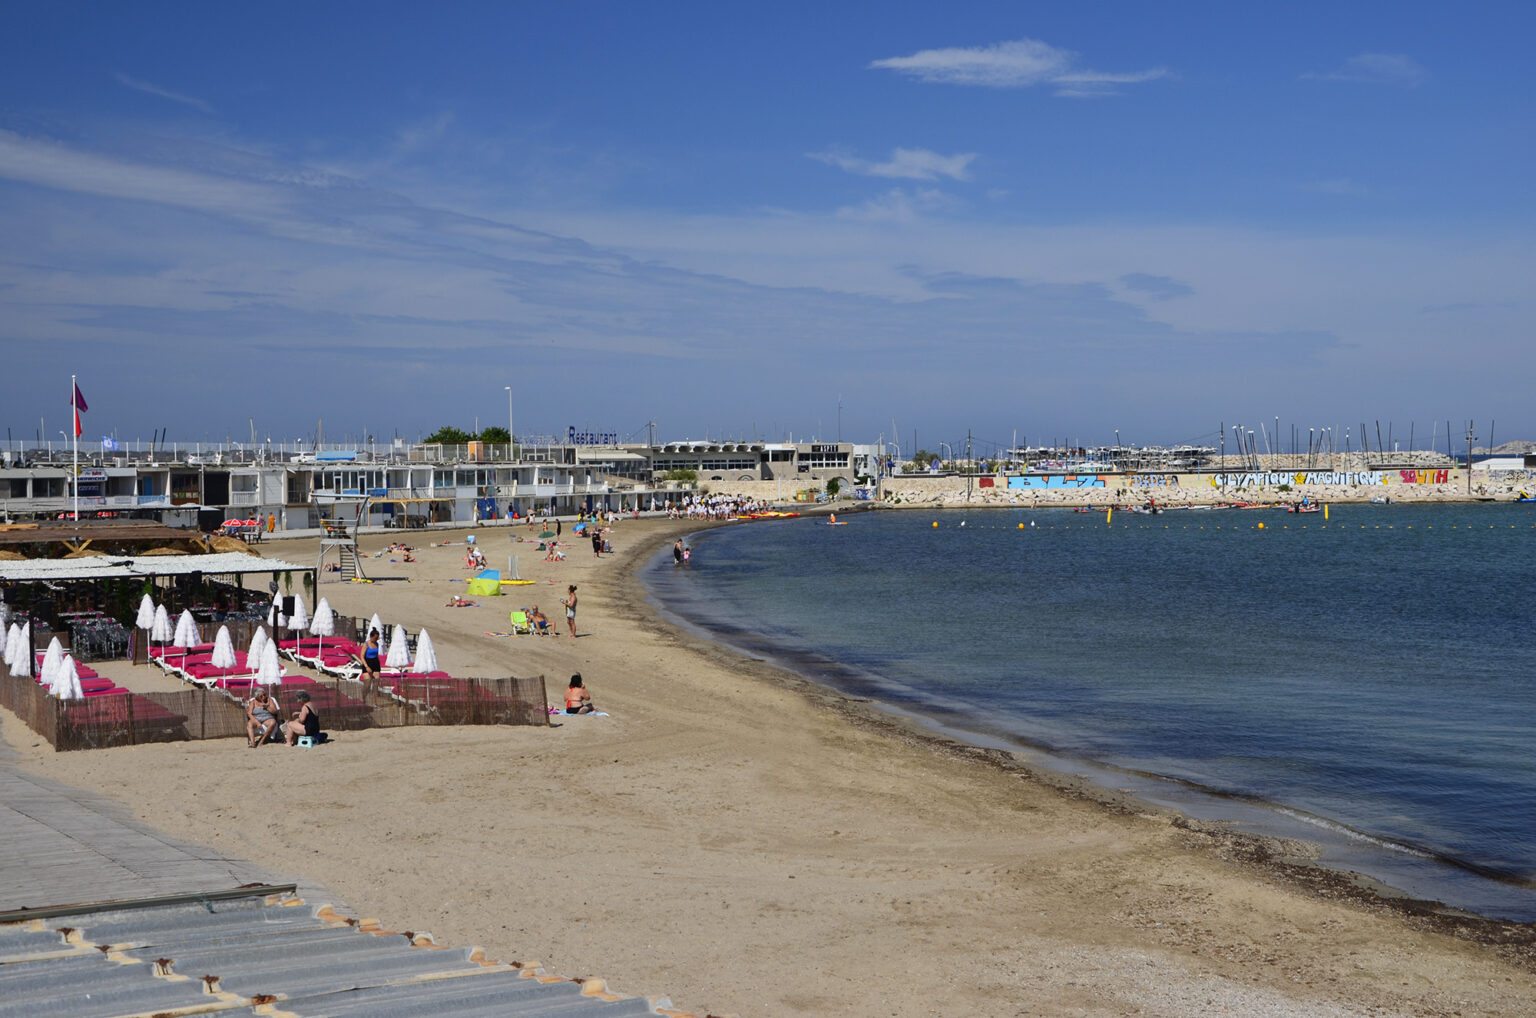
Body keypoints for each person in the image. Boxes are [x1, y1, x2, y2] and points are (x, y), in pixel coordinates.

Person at [357, 628, 382, 702]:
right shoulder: (366, 644)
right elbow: (361, 656)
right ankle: (363, 697)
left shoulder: (377, 644)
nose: (377, 639)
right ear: (371, 636)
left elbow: (376, 654)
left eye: (377, 638)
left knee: (376, 685)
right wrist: (366, 666)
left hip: (375, 663)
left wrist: (377, 663)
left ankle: (374, 702)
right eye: (375, 638)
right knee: (367, 684)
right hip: (367, 663)